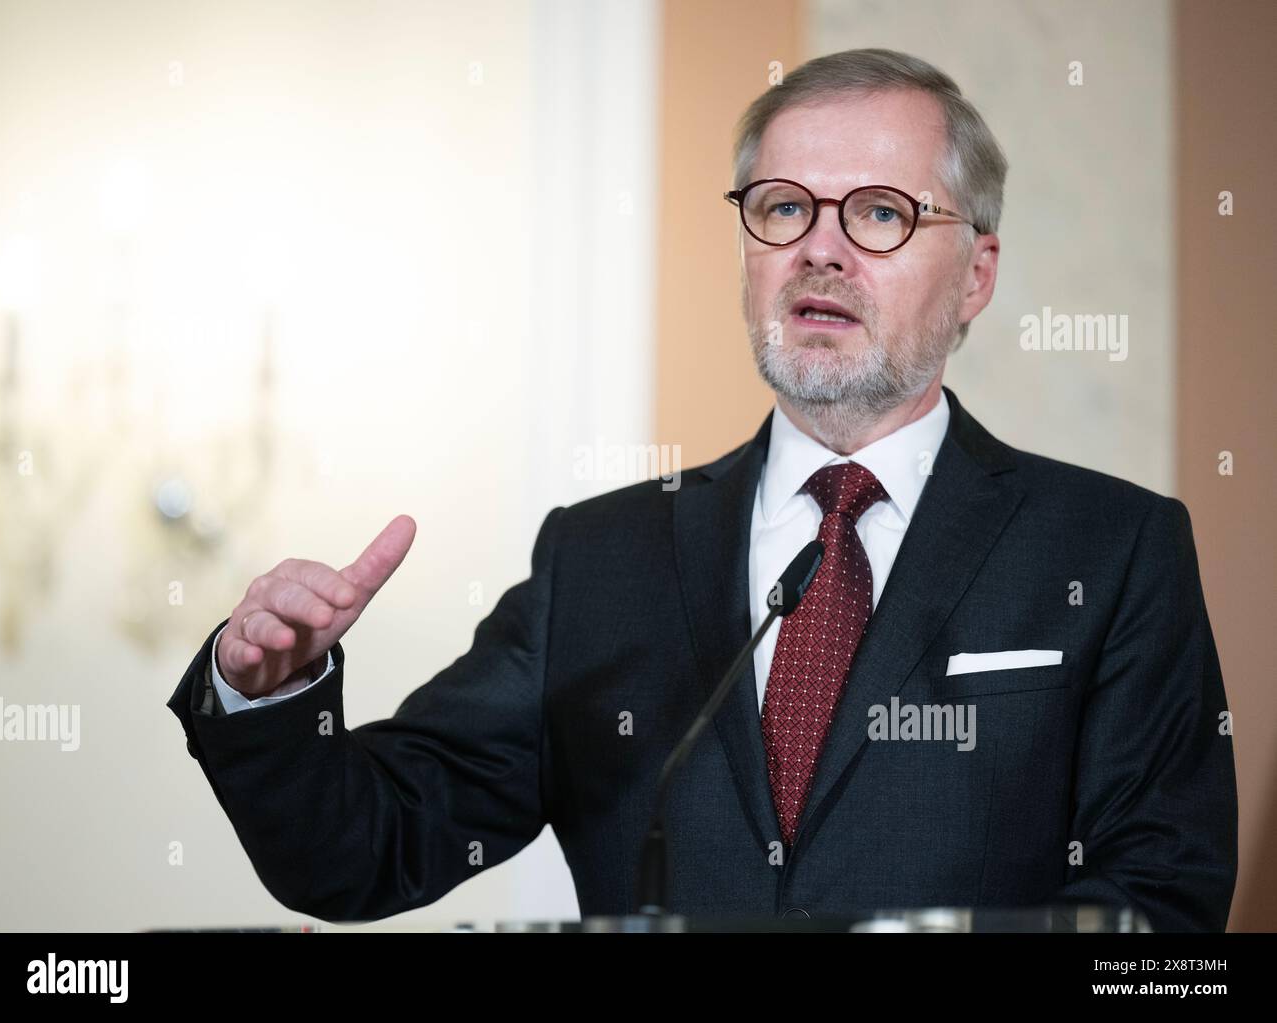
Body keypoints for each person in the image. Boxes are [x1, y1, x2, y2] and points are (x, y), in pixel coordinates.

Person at [167, 48, 1237, 932]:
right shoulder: (600, 558)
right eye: (781, 207)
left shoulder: (1111, 548)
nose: (819, 248)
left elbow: (1160, 912)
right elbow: (368, 854)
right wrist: (269, 694)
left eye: (877, 214)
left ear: (976, 277)